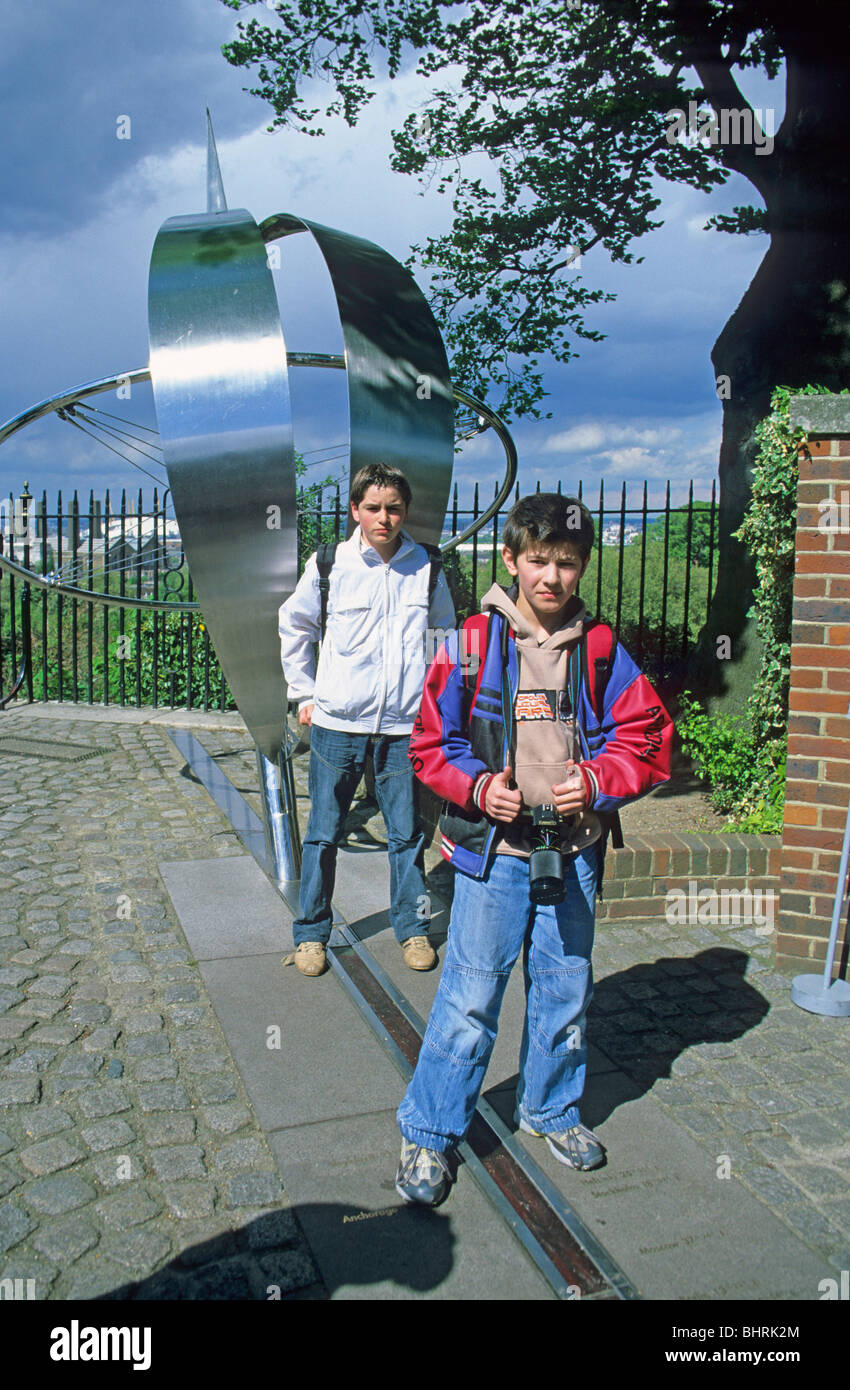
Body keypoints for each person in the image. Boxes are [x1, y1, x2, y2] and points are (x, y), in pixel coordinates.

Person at [394, 491, 673, 1204]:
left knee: (565, 989)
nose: (551, 576)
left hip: (572, 850)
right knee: (469, 996)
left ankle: (551, 1109)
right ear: (512, 559)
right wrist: (480, 790)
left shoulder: (604, 649)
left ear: (583, 568)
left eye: (568, 562)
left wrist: (599, 781)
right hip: (494, 856)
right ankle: (428, 1133)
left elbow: (645, 738)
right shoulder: (469, 642)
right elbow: (431, 744)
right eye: (539, 560)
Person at [278, 462, 456, 977]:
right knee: (323, 833)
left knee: (406, 835)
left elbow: (443, 638)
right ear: (355, 509)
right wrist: (304, 693)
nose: (385, 517)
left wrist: (433, 703)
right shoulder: (331, 564)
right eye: (374, 507)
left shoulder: (427, 566)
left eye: (394, 508)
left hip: (403, 726)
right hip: (338, 724)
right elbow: (295, 623)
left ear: (406, 512)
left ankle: (413, 928)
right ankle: (311, 935)